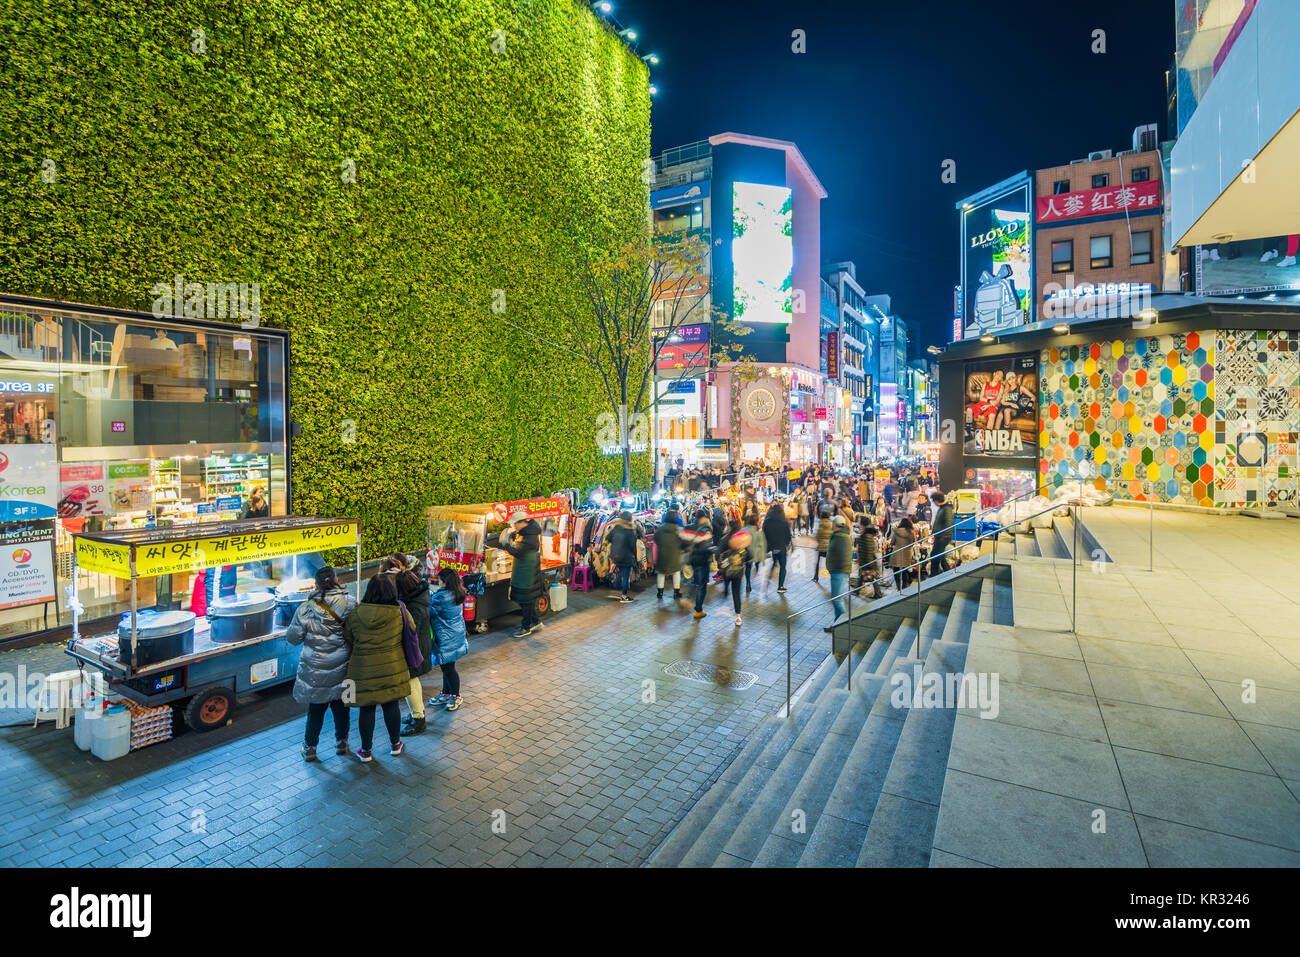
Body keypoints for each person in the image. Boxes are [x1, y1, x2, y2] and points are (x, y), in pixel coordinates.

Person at [285, 566, 357, 761]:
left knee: (316, 710)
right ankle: (342, 743)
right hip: (344, 667)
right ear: (336, 580)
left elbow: (293, 638)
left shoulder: (305, 609)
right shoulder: (350, 604)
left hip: (315, 669)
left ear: (315, 584)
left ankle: (310, 748)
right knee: (343, 707)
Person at [343, 574, 413, 762]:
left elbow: (348, 637)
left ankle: (366, 751)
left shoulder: (356, 614)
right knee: (391, 704)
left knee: (367, 708)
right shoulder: (400, 612)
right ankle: (395, 744)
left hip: (363, 669)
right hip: (392, 665)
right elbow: (410, 631)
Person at [382, 553, 433, 735]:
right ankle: (417, 713)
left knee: (410, 680)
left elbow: (409, 630)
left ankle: (419, 720)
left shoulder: (411, 606)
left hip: (414, 648)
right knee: (413, 680)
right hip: (419, 645)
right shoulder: (419, 592)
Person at [427, 566, 470, 711]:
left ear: (444, 581)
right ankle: (446, 693)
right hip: (455, 635)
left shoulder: (440, 597)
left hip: (446, 639)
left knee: (448, 669)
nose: (438, 582)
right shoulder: (456, 593)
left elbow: (429, 610)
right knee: (447, 665)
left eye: (439, 580)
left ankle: (456, 696)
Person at [500, 511, 543, 636]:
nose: (514, 526)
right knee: (524, 600)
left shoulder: (528, 536)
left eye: (515, 524)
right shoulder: (527, 531)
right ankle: (535, 621)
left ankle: (526, 627)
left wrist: (506, 544)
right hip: (524, 570)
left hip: (527, 573)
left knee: (526, 600)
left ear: (523, 522)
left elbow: (518, 552)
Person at [718, 519, 750, 627]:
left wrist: (721, 563)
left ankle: (725, 600)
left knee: (726, 585)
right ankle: (738, 616)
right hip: (738, 570)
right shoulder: (743, 540)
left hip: (727, 569)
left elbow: (718, 552)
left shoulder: (726, 539)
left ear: (729, 527)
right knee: (736, 592)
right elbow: (750, 555)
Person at [684, 510, 715, 620]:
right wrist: (714, 549)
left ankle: (688, 597)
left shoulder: (688, 528)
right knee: (702, 586)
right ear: (703, 518)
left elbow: (682, 543)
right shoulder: (705, 530)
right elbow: (705, 548)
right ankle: (698, 610)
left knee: (695, 580)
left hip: (692, 559)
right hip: (702, 561)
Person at [825, 514, 854, 628]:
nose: (831, 524)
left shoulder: (841, 537)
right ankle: (837, 624)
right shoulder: (839, 535)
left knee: (837, 599)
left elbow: (843, 556)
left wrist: (836, 568)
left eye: (832, 522)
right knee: (837, 598)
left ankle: (845, 623)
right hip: (837, 571)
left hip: (839, 572)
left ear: (836, 525)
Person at [604, 509, 639, 603]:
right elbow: (633, 546)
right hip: (626, 556)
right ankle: (623, 596)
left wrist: (615, 544)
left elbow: (608, 538)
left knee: (619, 573)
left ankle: (617, 590)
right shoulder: (630, 530)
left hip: (615, 555)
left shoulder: (616, 527)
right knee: (626, 575)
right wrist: (635, 557)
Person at [654, 508, 684, 600]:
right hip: (675, 554)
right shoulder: (678, 529)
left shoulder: (660, 529)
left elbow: (656, 541)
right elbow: (683, 541)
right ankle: (676, 592)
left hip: (662, 554)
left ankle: (660, 593)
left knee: (661, 573)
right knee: (676, 573)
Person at [761, 501, 791, 594]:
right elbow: (788, 536)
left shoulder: (767, 521)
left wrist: (769, 545)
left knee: (774, 563)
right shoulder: (784, 522)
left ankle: (768, 579)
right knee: (783, 566)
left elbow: (764, 533)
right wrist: (786, 544)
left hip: (773, 547)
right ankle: (780, 586)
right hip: (781, 547)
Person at [888, 517, 918, 591]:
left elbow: (892, 543)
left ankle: (898, 587)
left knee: (896, 571)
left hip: (897, 554)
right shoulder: (912, 532)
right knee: (905, 571)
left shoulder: (896, 531)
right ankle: (904, 587)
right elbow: (913, 542)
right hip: (907, 554)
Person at [929, 492, 954, 577]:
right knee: (941, 556)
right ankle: (949, 573)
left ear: (936, 500)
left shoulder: (946, 509)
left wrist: (943, 537)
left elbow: (949, 524)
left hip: (942, 538)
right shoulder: (943, 508)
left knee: (934, 556)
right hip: (940, 537)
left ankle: (933, 575)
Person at [856, 523, 884, 599]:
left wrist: (867, 563)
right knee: (869, 577)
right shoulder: (869, 537)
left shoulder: (865, 537)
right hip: (868, 561)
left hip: (866, 561)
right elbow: (868, 551)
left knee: (870, 577)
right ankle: (857, 590)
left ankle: (878, 593)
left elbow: (865, 551)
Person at [812, 490, 835, 581]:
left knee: (817, 561)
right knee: (830, 562)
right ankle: (833, 576)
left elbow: (817, 536)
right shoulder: (833, 503)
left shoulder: (820, 502)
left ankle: (815, 576)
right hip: (829, 546)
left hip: (821, 546)